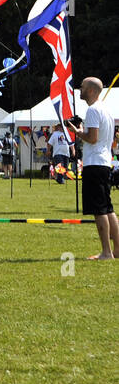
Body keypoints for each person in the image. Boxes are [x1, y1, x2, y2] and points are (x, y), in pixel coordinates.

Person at [67, 77, 118, 260]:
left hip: (94, 163)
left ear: (90, 90)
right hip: (104, 162)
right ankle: (116, 250)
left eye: (82, 87)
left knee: (99, 209)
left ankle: (106, 252)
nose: (79, 89)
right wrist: (82, 130)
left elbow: (92, 138)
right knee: (108, 208)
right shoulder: (106, 110)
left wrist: (77, 132)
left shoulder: (93, 109)